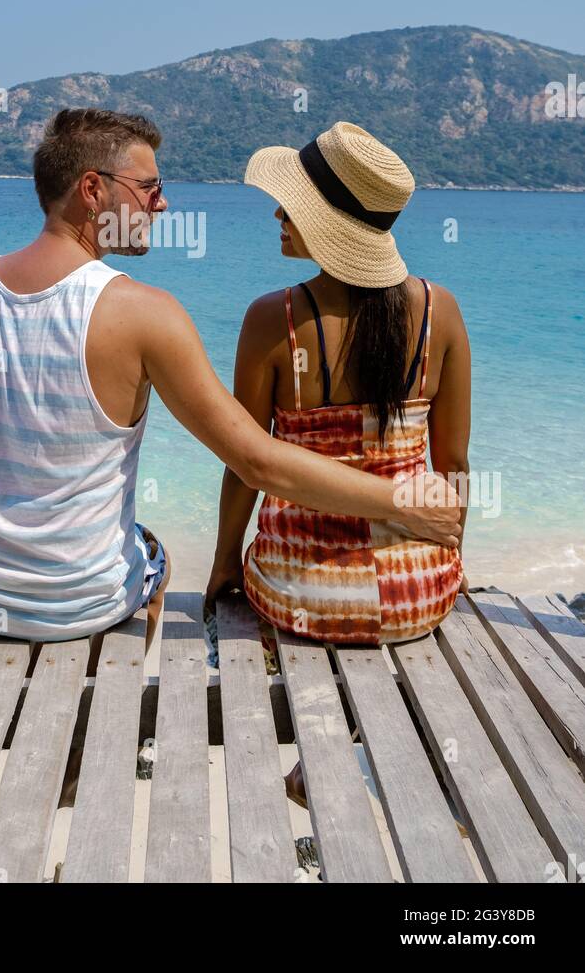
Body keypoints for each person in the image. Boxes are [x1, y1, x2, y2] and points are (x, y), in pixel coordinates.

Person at [0, 108, 461, 652]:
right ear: (93, 191)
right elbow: (255, 460)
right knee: (153, 556)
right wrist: (404, 502)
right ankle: (123, 716)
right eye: (149, 187)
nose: (163, 204)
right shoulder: (145, 313)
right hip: (78, 608)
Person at [204, 121, 470, 801]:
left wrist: (223, 566)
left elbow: (244, 464)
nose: (276, 214)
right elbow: (455, 463)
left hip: (304, 594)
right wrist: (447, 566)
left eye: (292, 204)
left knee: (273, 611)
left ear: (328, 222)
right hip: (417, 596)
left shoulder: (276, 319)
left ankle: (310, 759)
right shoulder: (442, 313)